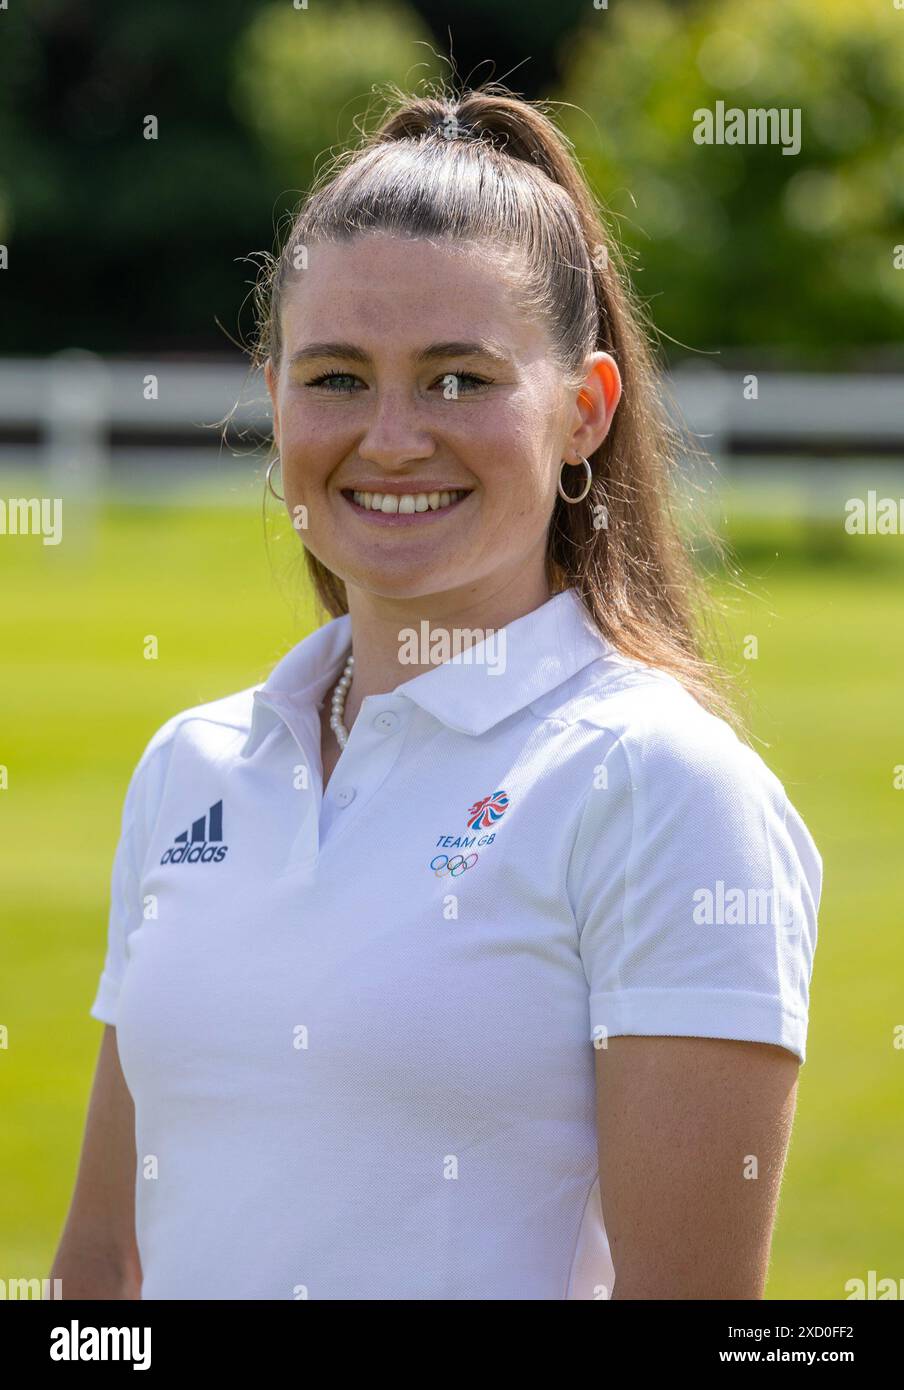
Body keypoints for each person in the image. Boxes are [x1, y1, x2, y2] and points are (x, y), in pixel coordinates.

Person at [51, 84, 822, 1300]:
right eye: (339, 377)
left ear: (583, 412)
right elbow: (103, 1273)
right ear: (274, 398)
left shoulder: (661, 785)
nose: (394, 436)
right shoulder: (191, 765)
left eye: (459, 379)